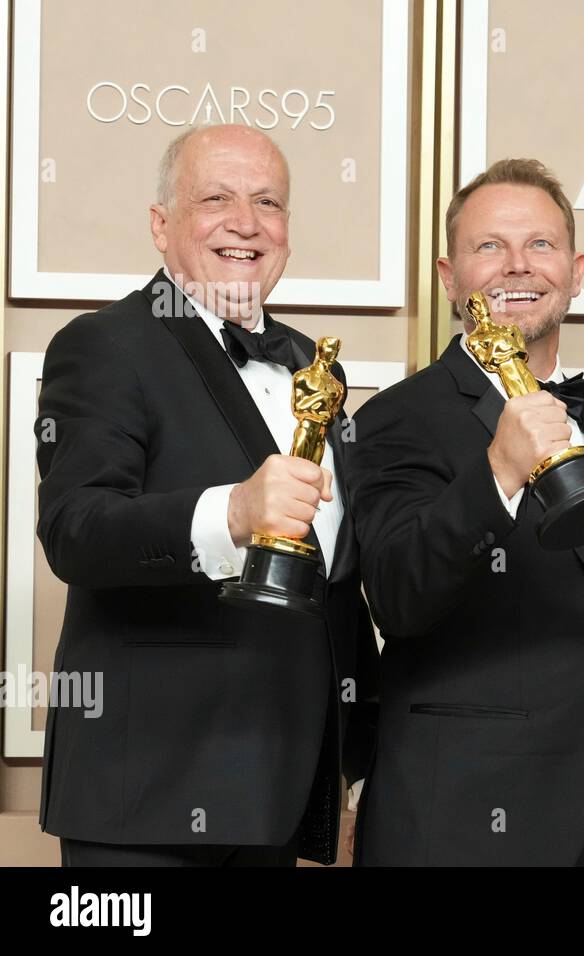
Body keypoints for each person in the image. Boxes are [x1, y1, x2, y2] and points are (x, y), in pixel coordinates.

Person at [35, 124, 376, 866]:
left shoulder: (315, 371)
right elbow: (75, 528)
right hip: (150, 798)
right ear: (162, 224)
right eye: (215, 198)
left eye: (268, 202)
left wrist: (360, 760)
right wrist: (232, 513)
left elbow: (337, 584)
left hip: (281, 792)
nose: (246, 223)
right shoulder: (105, 345)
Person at [347, 158, 584, 866]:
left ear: (575, 268)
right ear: (448, 277)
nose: (518, 267)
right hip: (465, 825)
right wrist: (498, 469)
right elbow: (398, 597)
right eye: (489, 247)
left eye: (539, 245)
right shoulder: (394, 418)